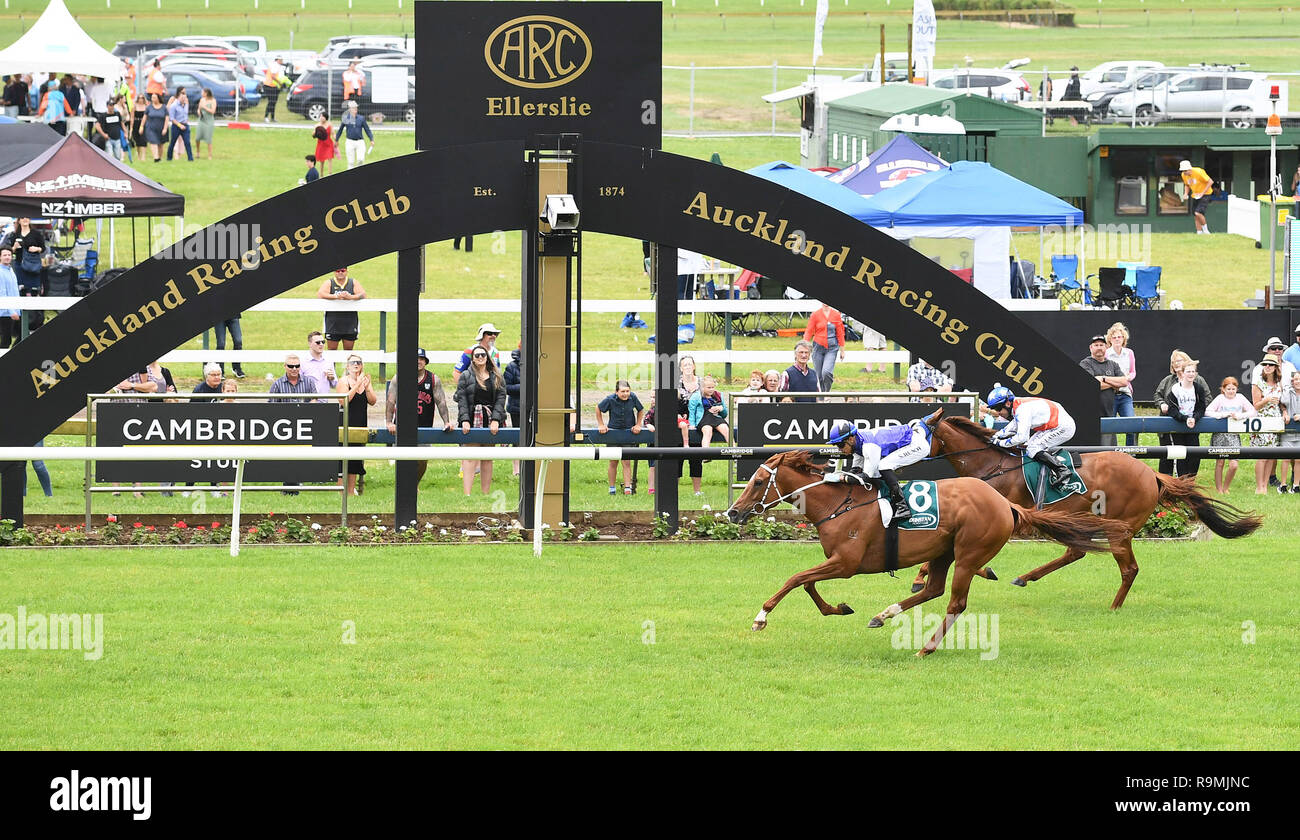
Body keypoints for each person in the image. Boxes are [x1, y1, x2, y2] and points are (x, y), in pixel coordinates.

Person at [827, 416, 934, 522]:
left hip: (916, 445)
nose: (839, 449)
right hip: (910, 439)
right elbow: (855, 471)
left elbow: (865, 477)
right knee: (879, 469)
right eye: (836, 445)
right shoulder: (857, 445)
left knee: (883, 466)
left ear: (851, 439)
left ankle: (902, 506)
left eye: (840, 445)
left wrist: (841, 478)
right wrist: (842, 478)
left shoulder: (869, 446)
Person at [986, 384, 1076, 499]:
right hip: (1054, 425)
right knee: (1029, 447)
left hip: (1063, 427)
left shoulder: (1022, 409)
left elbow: (1021, 438)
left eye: (998, 409)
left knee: (1032, 448)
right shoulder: (1017, 406)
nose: (998, 413)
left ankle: (1062, 470)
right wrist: (996, 435)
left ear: (1008, 403)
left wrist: (999, 443)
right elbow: (1013, 426)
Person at [386, 348, 453, 484]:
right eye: (416, 359)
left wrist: (447, 422)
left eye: (421, 359)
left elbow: (441, 402)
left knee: (422, 459)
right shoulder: (399, 377)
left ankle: (414, 483)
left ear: (425, 362)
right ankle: (405, 485)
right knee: (403, 459)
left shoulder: (433, 379)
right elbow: (390, 400)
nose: (418, 361)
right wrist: (389, 422)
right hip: (403, 426)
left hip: (424, 425)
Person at [455, 345, 506, 496]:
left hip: (490, 418)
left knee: (487, 458)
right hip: (472, 418)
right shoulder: (466, 375)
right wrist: (465, 420)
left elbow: (501, 399)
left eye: (483, 355)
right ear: (473, 359)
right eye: (476, 355)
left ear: (487, 357)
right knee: (470, 456)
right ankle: (467, 494)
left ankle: (485, 494)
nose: (480, 358)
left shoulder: (496, 376)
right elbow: (462, 399)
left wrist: (496, 419)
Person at [1153, 350, 1212, 478]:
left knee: (1193, 453)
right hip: (1171, 422)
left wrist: (1195, 413)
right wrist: (1162, 404)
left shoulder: (1198, 380)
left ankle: (1189, 481)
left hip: (1192, 422)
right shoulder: (1168, 380)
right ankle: (1168, 481)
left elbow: (1207, 398)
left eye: (1179, 361)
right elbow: (1157, 395)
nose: (1176, 364)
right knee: (1168, 454)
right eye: (1173, 362)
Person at [1206, 376, 1255, 494]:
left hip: (1234, 434)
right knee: (1220, 462)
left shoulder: (1240, 398)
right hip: (1220, 434)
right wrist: (1222, 415)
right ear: (1223, 389)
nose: (1231, 391)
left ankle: (1226, 487)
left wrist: (1240, 416)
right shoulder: (1220, 398)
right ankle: (1219, 489)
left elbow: (1253, 411)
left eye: (1233, 389)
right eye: (1228, 389)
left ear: (1236, 389)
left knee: (1233, 464)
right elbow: (1208, 411)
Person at [1079, 335, 1129, 448]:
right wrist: (1113, 384)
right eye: (1096, 345)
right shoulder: (1085, 363)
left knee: (1109, 451)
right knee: (1094, 452)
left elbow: (1124, 382)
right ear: (1090, 348)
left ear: (1106, 347)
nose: (1099, 347)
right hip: (1091, 415)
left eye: (1101, 345)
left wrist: (1104, 379)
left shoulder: (1113, 364)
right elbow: (1091, 385)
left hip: (1109, 414)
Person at [597, 380, 645, 494]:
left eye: (627, 391)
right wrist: (601, 424)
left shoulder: (633, 397)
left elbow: (641, 409)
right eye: (623, 391)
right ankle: (612, 488)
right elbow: (598, 408)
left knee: (626, 461)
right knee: (613, 461)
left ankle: (628, 488)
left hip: (628, 432)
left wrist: (638, 424)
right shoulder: (610, 399)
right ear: (616, 392)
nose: (625, 394)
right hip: (614, 432)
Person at [338, 355, 377, 497]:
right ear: (347, 366)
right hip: (345, 422)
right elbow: (344, 401)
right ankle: (340, 490)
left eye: (358, 362)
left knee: (356, 457)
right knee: (343, 456)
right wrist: (356, 385)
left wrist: (366, 387)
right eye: (353, 362)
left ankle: (351, 491)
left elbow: (373, 401)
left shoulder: (365, 381)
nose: (356, 364)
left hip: (360, 422)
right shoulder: (343, 381)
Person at [1251, 357, 1283, 494]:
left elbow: (1281, 402)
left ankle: (1265, 485)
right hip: (1262, 421)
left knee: (1271, 455)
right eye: (1265, 364)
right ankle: (1259, 487)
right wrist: (1267, 399)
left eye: (1271, 364)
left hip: (1275, 422)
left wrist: (1285, 411)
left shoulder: (1278, 383)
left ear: (1276, 367)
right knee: (1262, 456)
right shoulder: (1258, 382)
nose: (1268, 366)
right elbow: (1256, 405)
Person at [317, 267, 366, 350]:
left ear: (346, 271)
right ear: (334, 272)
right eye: (337, 271)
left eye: (342, 271)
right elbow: (320, 294)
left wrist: (351, 297)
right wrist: (336, 296)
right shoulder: (330, 282)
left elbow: (363, 295)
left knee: (348, 352)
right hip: (332, 322)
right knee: (332, 352)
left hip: (350, 322)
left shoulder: (352, 282)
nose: (340, 273)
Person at [1105, 322, 1138, 446]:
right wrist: (1117, 381)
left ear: (1124, 338)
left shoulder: (1129, 353)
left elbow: (1133, 371)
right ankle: (1111, 453)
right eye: (1114, 337)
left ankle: (1131, 453)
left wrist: (1128, 378)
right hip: (1111, 394)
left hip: (1125, 393)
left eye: (1119, 337)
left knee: (1132, 425)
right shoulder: (1107, 353)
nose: (1117, 339)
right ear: (1110, 340)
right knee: (1110, 427)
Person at [675, 355, 704, 494]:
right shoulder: (676, 383)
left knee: (696, 458)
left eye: (689, 364)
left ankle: (697, 491)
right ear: (680, 368)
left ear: (694, 366)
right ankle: (673, 489)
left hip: (698, 421)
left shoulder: (701, 382)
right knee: (677, 457)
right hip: (680, 420)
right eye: (684, 365)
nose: (687, 367)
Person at [803, 303, 846, 391]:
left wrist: (842, 350)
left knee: (826, 372)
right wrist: (804, 346)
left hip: (832, 348)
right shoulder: (815, 315)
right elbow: (809, 331)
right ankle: (823, 395)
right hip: (818, 348)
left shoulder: (836, 315)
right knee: (819, 375)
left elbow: (840, 333)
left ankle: (827, 392)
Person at [688, 374, 729, 449]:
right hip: (703, 418)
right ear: (702, 387)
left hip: (715, 417)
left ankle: (735, 453)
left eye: (713, 387)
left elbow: (724, 414)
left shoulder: (718, 396)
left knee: (726, 430)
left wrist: (721, 408)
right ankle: (706, 454)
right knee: (708, 431)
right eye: (709, 387)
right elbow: (692, 411)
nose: (711, 389)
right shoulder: (696, 396)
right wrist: (692, 424)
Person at [335, 99, 374, 170]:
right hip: (350, 141)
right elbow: (340, 130)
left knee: (360, 159)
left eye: (356, 107)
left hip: (360, 141)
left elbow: (367, 129)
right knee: (351, 162)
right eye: (353, 108)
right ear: (350, 109)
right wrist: (336, 140)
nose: (355, 109)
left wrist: (371, 139)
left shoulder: (361, 118)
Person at [1179, 160, 1214, 234]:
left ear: (1189, 168)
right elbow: (1187, 185)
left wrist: (1202, 193)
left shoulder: (1199, 171)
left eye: (1185, 170)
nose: (1184, 172)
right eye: (1182, 170)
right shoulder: (1183, 175)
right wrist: (1185, 193)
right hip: (1195, 195)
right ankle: (1199, 232)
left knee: (1198, 213)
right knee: (1195, 214)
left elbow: (1210, 181)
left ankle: (1206, 231)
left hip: (1206, 194)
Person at [300, 330, 337, 396]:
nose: (321, 344)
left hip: (324, 401)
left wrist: (332, 378)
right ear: (310, 344)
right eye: (318, 342)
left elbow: (334, 385)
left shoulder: (328, 361)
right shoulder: (302, 362)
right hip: (308, 402)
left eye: (323, 342)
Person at [91, 96, 125, 161]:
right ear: (107, 106)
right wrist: (103, 134)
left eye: (113, 105)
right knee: (109, 156)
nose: (112, 107)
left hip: (117, 138)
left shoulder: (117, 114)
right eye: (110, 105)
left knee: (118, 156)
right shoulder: (103, 116)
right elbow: (97, 126)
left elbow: (121, 123)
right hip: (108, 139)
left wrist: (125, 132)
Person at [213, 311, 246, 379]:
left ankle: (237, 368)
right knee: (221, 344)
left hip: (233, 315)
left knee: (238, 342)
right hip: (218, 316)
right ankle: (220, 370)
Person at [165, 87, 193, 162]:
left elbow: (186, 114)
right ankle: (169, 158)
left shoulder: (186, 104)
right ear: (179, 97)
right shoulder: (174, 106)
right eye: (182, 98)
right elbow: (172, 118)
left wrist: (186, 122)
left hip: (185, 125)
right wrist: (179, 125)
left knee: (187, 142)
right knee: (173, 142)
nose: (184, 100)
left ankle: (190, 158)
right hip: (176, 126)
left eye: (185, 98)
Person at [0, 247, 20, 349]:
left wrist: (18, 309)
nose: (7, 257)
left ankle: (13, 356)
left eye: (9, 255)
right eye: (4, 255)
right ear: (0, 257)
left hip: (16, 310)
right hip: (5, 312)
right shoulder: (0, 272)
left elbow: (15, 291)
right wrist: (11, 311)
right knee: (5, 340)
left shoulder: (11, 270)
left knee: (24, 334)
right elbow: (2, 294)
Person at [194, 88, 216, 160]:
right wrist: (198, 111)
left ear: (206, 93)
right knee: (197, 138)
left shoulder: (213, 100)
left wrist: (205, 107)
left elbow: (213, 111)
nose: (201, 93)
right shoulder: (202, 100)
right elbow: (199, 108)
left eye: (202, 92)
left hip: (209, 121)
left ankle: (210, 155)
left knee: (208, 138)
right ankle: (197, 152)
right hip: (201, 120)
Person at [144, 93, 167, 163]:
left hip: (161, 128)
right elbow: (144, 117)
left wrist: (165, 128)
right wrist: (141, 126)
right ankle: (156, 158)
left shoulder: (164, 107)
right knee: (153, 142)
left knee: (160, 144)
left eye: (154, 97)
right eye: (152, 98)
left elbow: (167, 118)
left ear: (158, 98)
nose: (152, 99)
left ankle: (159, 157)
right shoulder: (149, 107)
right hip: (151, 128)